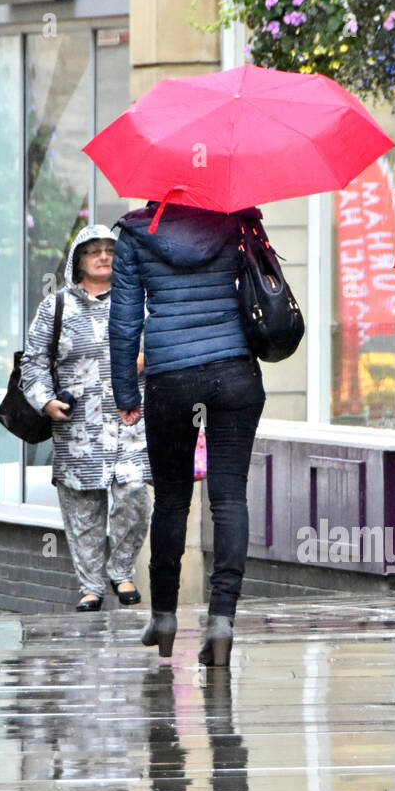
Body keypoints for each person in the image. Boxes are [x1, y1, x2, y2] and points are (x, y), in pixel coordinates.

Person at [109, 202, 266, 664]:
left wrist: (125, 393)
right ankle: (221, 621)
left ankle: (163, 616)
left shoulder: (136, 234)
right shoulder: (235, 220)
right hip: (234, 370)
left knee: (173, 500)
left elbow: (124, 322)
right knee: (230, 496)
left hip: (171, 378)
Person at [21, 225, 151, 612]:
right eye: (93, 250)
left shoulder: (137, 302)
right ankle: (91, 586)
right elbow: (33, 363)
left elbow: (162, 344)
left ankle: (121, 570)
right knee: (83, 509)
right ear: (78, 259)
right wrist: (44, 401)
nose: (103, 256)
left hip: (130, 423)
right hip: (76, 428)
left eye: (109, 249)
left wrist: (147, 359)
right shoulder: (55, 306)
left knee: (133, 496)